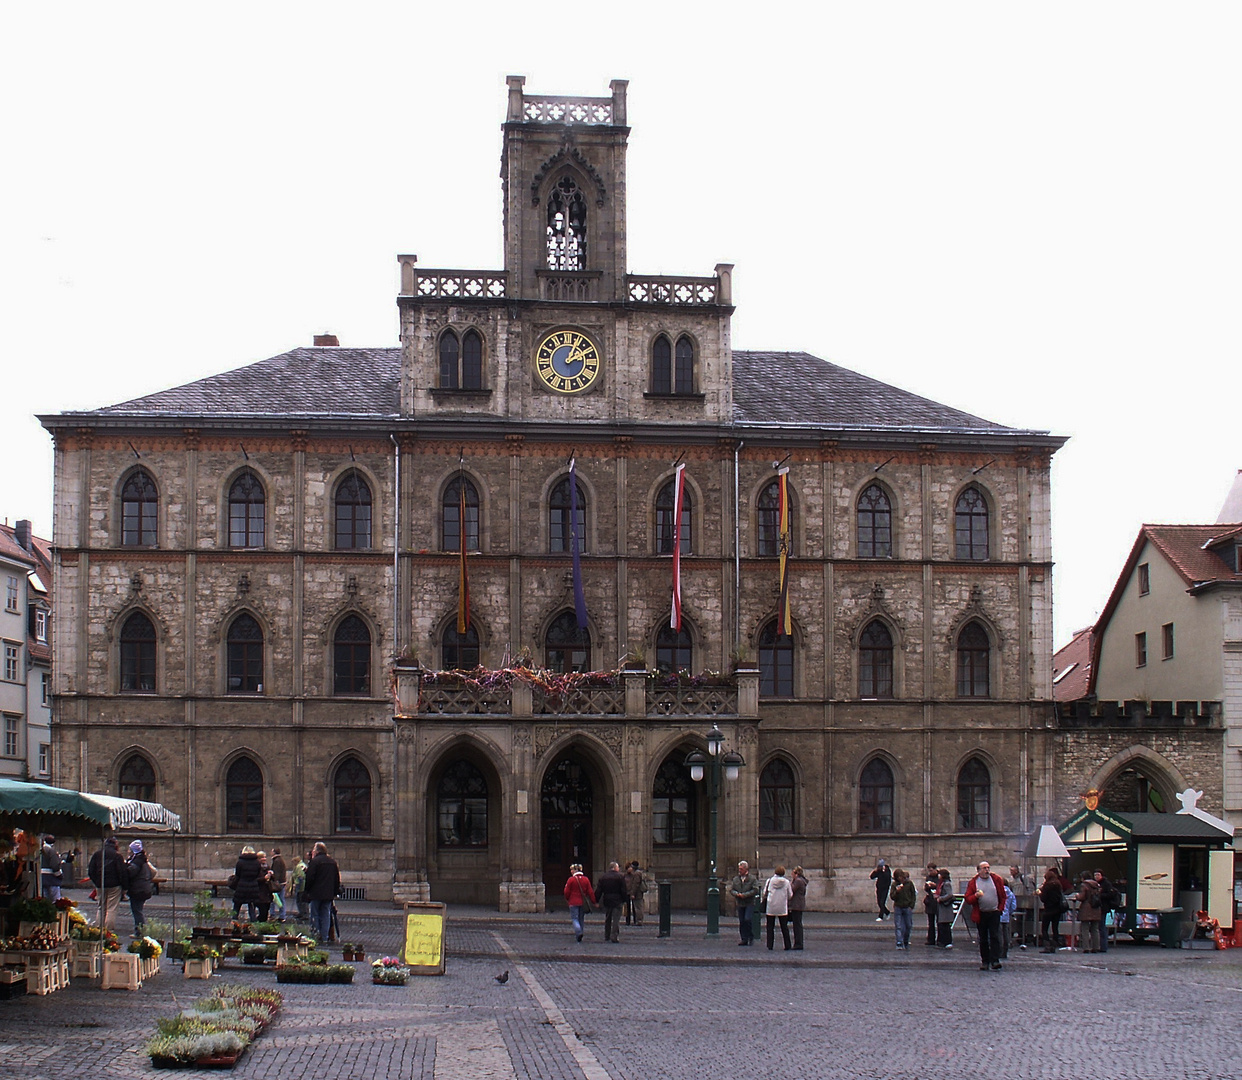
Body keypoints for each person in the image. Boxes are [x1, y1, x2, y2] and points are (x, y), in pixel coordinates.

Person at [964, 860, 1008, 970]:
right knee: (983, 938)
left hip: (994, 912)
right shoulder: (974, 882)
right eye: (984, 868)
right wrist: (976, 896)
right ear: (978, 871)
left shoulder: (996, 879)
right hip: (981, 913)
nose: (987, 870)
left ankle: (995, 960)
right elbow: (968, 899)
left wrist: (1000, 909)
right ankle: (985, 961)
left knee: (995, 936)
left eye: (988, 867)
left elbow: (1003, 896)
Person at [303, 842, 341, 943]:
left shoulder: (315, 862)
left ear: (317, 851)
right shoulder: (332, 862)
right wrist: (335, 891)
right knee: (326, 915)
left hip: (316, 893)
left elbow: (310, 878)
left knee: (315, 914)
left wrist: (307, 890)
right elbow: (336, 878)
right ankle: (324, 937)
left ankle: (315, 935)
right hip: (328, 894)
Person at [87, 837, 127, 929]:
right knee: (111, 908)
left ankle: (98, 928)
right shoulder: (117, 856)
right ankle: (108, 930)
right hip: (114, 885)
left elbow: (91, 870)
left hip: (100, 884)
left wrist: (96, 882)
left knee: (101, 907)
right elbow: (122, 872)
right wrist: (124, 887)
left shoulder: (97, 854)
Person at [125, 840, 155, 934]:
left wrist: (125, 866)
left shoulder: (137, 861)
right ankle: (140, 930)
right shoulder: (142, 860)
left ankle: (140, 932)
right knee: (138, 910)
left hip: (138, 890)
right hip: (143, 888)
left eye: (129, 849)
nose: (128, 851)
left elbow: (130, 872)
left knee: (137, 911)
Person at [729, 861, 760, 946]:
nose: (740, 870)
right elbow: (731, 889)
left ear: (746, 869)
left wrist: (745, 895)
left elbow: (755, 889)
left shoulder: (752, 879)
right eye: (739, 869)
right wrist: (737, 894)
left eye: (741, 869)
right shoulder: (736, 879)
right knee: (742, 921)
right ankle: (744, 938)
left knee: (747, 919)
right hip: (740, 902)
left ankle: (750, 936)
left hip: (749, 902)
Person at [761, 865, 793, 950]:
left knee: (770, 927)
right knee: (784, 927)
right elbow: (790, 895)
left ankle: (770, 945)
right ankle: (787, 945)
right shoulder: (786, 882)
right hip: (782, 907)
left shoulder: (769, 881)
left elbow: (764, 893)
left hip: (771, 906)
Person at [563, 863, 596, 942]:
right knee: (581, 918)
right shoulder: (586, 879)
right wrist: (594, 901)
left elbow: (566, 891)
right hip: (582, 902)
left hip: (573, 902)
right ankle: (580, 931)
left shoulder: (571, 879)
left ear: (575, 870)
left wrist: (567, 899)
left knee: (575, 918)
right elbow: (590, 891)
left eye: (572, 870)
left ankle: (578, 931)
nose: (571, 871)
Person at [595, 861, 626, 943]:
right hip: (617, 899)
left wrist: (596, 900)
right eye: (618, 867)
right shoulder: (620, 877)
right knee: (616, 919)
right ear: (615, 868)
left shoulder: (603, 877)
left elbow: (599, 890)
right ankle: (614, 936)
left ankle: (607, 935)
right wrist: (624, 899)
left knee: (608, 918)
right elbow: (623, 890)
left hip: (607, 899)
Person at [231, 845, 264, 922]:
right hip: (253, 886)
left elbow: (237, 875)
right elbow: (258, 874)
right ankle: (253, 924)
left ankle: (234, 923)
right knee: (251, 907)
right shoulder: (257, 863)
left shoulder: (240, 862)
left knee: (237, 906)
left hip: (242, 886)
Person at [1038, 867, 1065, 952]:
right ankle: (1054, 945)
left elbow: (1043, 898)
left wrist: (1040, 893)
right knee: (1055, 928)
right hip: (1057, 909)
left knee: (1045, 928)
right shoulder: (1058, 884)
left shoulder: (1047, 885)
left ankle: (1047, 946)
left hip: (1049, 909)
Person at [1093, 870, 1119, 953]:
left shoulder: (1106, 884)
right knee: (1098, 927)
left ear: (1101, 875)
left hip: (1103, 907)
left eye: (1098, 875)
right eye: (1095, 875)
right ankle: (1098, 945)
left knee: (1101, 927)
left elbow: (1110, 895)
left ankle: (1103, 946)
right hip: (1098, 907)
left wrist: (1100, 895)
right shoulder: (1094, 883)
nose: (1096, 876)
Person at [890, 868, 916, 950]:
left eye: (900, 877)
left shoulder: (909, 883)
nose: (899, 879)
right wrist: (897, 892)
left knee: (908, 925)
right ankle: (899, 942)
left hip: (907, 907)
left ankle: (905, 940)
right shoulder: (894, 885)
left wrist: (911, 905)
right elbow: (892, 897)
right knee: (899, 926)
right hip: (898, 907)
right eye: (898, 877)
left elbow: (913, 895)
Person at [1077, 873, 1103, 953]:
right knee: (1095, 929)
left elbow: (1082, 897)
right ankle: (1096, 947)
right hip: (1096, 909)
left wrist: (1077, 896)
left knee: (1085, 929)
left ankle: (1086, 947)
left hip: (1086, 909)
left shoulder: (1084, 885)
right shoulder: (1097, 885)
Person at [935, 868, 955, 949]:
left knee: (945, 925)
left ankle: (947, 941)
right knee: (942, 924)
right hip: (942, 907)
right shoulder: (942, 883)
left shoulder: (946, 884)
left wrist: (941, 898)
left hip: (945, 907)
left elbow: (949, 894)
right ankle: (942, 941)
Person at [789, 866, 808, 950]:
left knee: (797, 925)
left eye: (793, 873)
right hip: (798, 904)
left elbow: (791, 889)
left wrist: (791, 882)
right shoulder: (800, 880)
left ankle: (798, 943)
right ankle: (798, 942)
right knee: (797, 924)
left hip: (796, 905)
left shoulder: (798, 881)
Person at [623, 860, 646, 926]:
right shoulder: (637, 873)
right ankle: (637, 920)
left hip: (636, 893)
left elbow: (635, 884)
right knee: (636, 907)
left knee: (638, 907)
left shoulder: (636, 874)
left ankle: (639, 920)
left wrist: (632, 893)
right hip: (632, 892)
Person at [40, 835, 63, 901]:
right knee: (56, 900)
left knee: (45, 898)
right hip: (52, 878)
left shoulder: (40, 850)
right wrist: (59, 875)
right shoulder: (51, 851)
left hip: (42, 878)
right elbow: (55, 865)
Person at [922, 864, 940, 946]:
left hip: (938, 901)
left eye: (931, 870)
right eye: (929, 870)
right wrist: (927, 886)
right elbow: (926, 889)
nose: (930, 872)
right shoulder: (928, 877)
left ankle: (940, 939)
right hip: (930, 902)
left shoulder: (940, 877)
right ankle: (931, 939)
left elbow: (942, 887)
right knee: (931, 922)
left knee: (940, 922)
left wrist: (935, 885)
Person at [998, 881, 1016, 959]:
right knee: (1006, 934)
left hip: (998, 915)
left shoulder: (998, 892)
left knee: (999, 935)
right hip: (1006, 917)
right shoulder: (1011, 894)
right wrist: (1009, 912)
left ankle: (999, 951)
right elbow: (1013, 906)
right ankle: (1005, 951)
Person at [255, 851, 274, 922]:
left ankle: (262, 925)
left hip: (267, 892)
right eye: (262, 857)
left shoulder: (267, 867)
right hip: (260, 893)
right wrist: (264, 878)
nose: (264, 859)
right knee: (262, 912)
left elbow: (273, 879)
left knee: (266, 911)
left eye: (265, 857)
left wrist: (272, 875)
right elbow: (255, 879)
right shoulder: (256, 867)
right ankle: (259, 924)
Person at [289, 852, 309, 921]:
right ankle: (302, 913)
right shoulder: (301, 865)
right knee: (300, 900)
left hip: (301, 887)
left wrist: (298, 886)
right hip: (301, 886)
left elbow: (301, 877)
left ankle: (304, 913)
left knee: (301, 900)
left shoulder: (299, 866)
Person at [269, 847, 287, 921]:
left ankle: (276, 915)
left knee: (275, 899)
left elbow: (276, 873)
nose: (270, 852)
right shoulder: (280, 860)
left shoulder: (277, 861)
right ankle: (281, 915)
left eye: (272, 851)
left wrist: (274, 879)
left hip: (278, 883)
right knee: (280, 899)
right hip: (282, 882)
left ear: (274, 852)